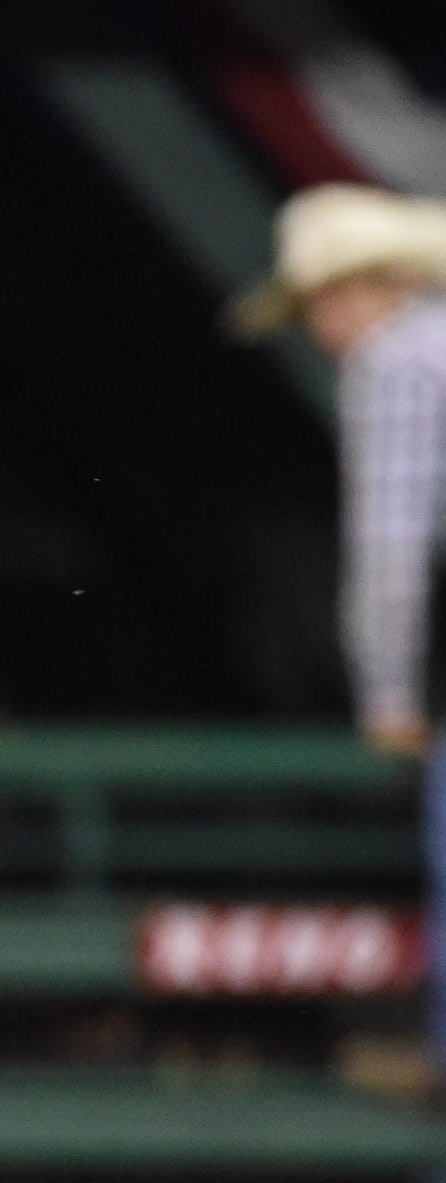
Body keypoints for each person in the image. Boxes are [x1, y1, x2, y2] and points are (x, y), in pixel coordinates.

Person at [236, 183, 446, 1094]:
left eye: (323, 299)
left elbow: (392, 543)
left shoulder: (399, 362)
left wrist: (389, 696)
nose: (320, 325)